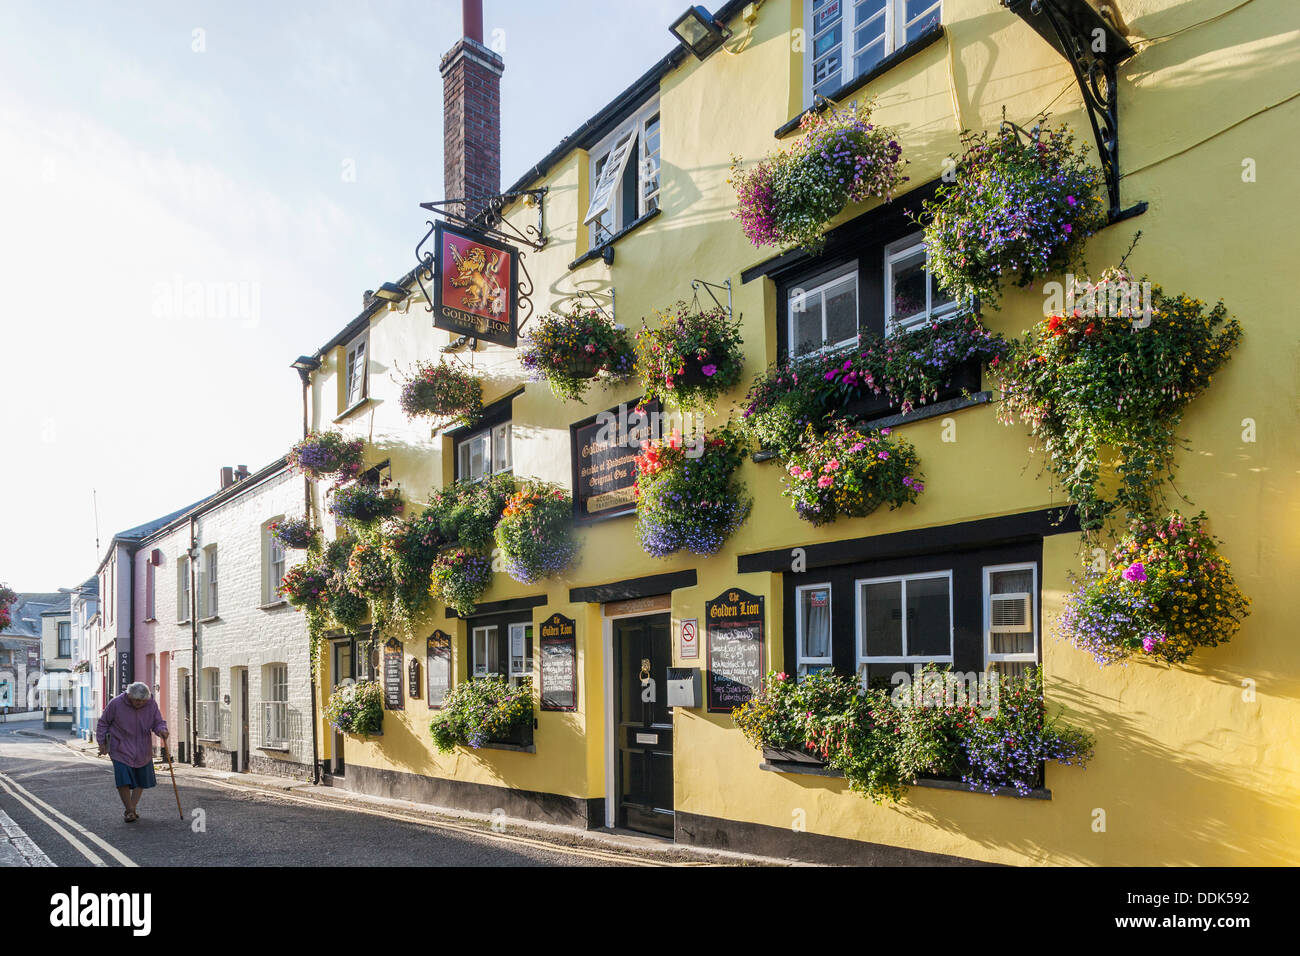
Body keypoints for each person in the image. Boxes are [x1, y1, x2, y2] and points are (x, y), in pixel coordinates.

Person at [96, 682, 168, 823]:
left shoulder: (151, 704)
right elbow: (103, 723)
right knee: (123, 779)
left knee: (141, 779)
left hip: (143, 748)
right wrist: (101, 742)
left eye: (142, 701)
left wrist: (162, 730)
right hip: (120, 747)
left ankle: (132, 808)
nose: (139, 703)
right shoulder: (116, 703)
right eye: (136, 700)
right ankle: (129, 810)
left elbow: (158, 722)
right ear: (129, 695)